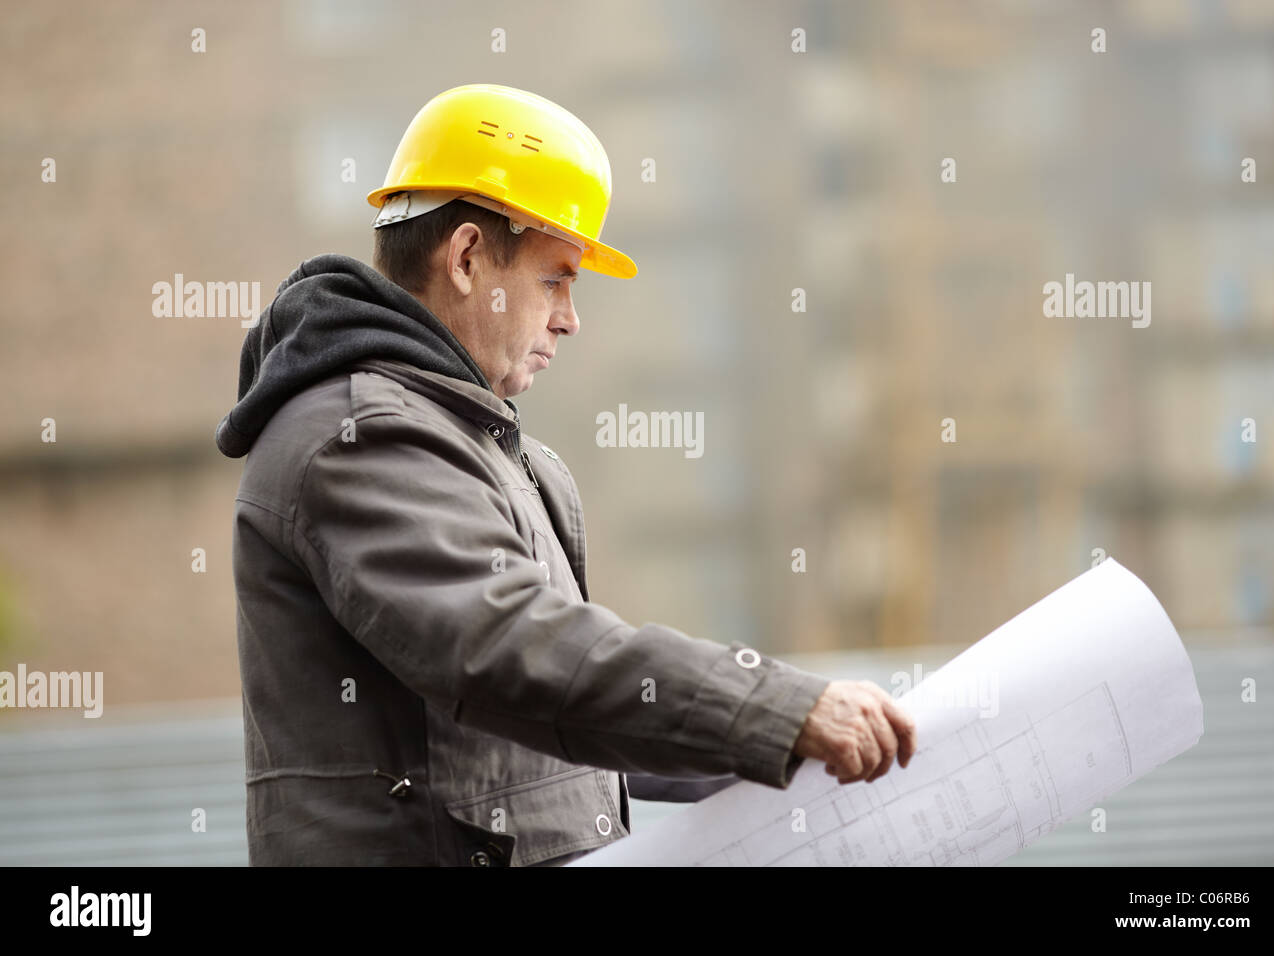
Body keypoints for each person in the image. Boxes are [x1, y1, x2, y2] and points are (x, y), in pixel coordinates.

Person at [215, 84, 916, 866]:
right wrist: (773, 708)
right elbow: (511, 650)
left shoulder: (478, 445)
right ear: (470, 257)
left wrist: (774, 744)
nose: (570, 317)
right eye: (557, 278)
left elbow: (565, 725)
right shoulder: (360, 437)